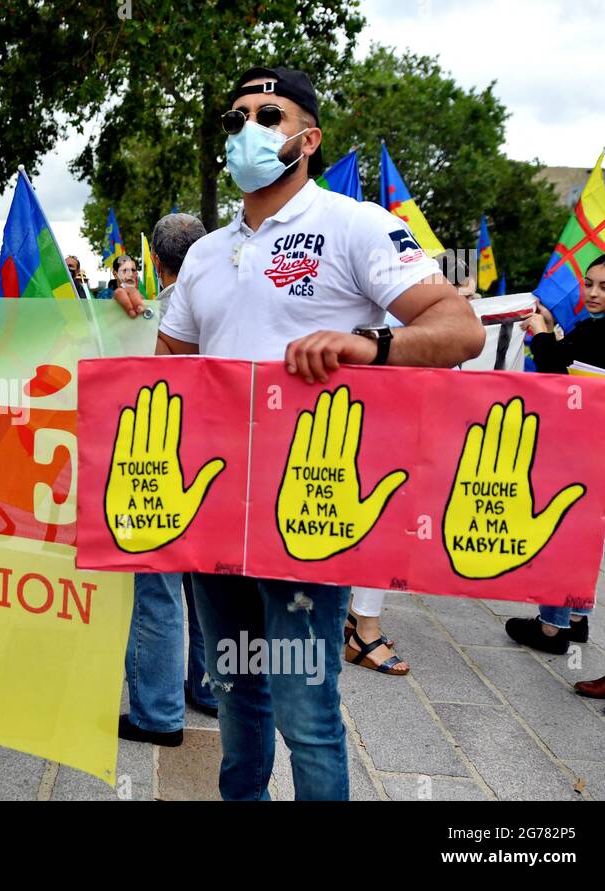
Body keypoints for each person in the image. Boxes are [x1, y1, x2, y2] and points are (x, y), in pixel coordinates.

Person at [113, 66, 483, 799]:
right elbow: (171, 372)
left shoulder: (356, 226)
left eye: (268, 114)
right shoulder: (208, 254)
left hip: (307, 515)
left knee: (305, 709)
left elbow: (459, 328)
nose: (247, 127)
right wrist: (124, 319)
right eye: (235, 116)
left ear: (307, 138)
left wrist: (368, 346)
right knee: (236, 692)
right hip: (216, 514)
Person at [506, 255, 605, 720]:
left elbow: (560, 366)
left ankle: (561, 626)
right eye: (590, 284)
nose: (594, 294)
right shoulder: (598, 325)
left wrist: (540, 334)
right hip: (603, 463)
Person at [117, 213, 214, 747]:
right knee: (206, 585)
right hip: (217, 462)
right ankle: (210, 687)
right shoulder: (227, 302)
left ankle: (157, 713)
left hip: (158, 464)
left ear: (155, 261)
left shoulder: (153, 316)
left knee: (157, 588)